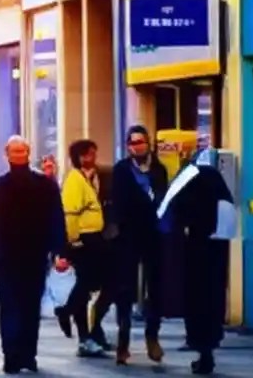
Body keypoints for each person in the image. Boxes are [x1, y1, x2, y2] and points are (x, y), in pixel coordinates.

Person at [0, 137, 67, 375]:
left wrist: (59, 250)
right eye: (15, 151)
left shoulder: (45, 185)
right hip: (5, 257)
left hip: (34, 255)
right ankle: (11, 355)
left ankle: (28, 355)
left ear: (29, 153)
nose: (19, 155)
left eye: (22, 151)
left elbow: (56, 218)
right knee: (10, 306)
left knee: (31, 307)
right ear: (6, 154)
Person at [157, 150, 237, 375]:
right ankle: (209, 347)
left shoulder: (190, 182)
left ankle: (201, 348)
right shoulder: (219, 185)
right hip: (217, 250)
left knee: (196, 299)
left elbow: (173, 211)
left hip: (195, 249)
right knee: (212, 298)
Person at [106, 125, 169, 366]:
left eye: (140, 142)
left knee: (156, 286)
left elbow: (164, 198)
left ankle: (152, 336)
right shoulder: (122, 170)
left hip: (153, 234)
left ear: (148, 143)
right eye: (132, 143)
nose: (137, 147)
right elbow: (117, 202)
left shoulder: (158, 169)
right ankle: (123, 341)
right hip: (128, 235)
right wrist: (115, 228)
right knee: (125, 288)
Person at [60, 139, 109, 358]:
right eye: (90, 154)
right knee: (87, 281)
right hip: (84, 239)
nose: (94, 158)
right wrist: (73, 240)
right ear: (81, 157)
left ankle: (83, 330)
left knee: (90, 282)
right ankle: (68, 311)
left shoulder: (92, 177)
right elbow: (70, 212)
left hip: (96, 238)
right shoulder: (74, 179)